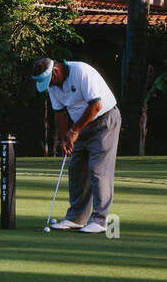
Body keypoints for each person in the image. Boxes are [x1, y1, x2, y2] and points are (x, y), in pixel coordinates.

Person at [31, 57, 121, 233]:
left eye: (50, 81)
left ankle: (100, 220)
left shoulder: (81, 71)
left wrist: (74, 131)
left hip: (104, 121)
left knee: (98, 169)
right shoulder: (53, 86)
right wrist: (65, 138)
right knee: (76, 167)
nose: (49, 86)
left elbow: (96, 105)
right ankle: (76, 218)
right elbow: (59, 114)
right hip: (79, 126)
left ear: (56, 71)